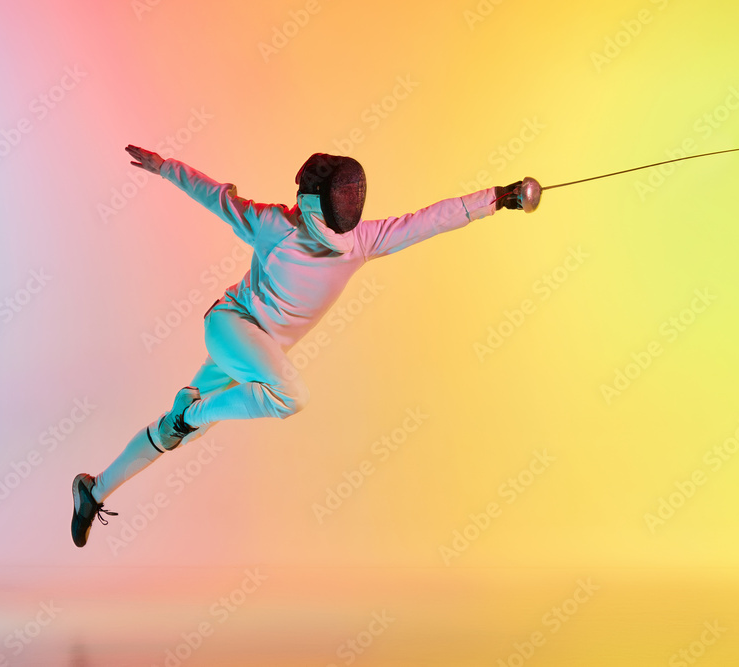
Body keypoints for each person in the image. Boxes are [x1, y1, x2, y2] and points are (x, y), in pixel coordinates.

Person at [70, 144, 527, 547]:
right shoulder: (276, 225)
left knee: (175, 432)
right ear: (323, 202)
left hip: (256, 352)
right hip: (231, 325)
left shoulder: (360, 241)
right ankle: (189, 412)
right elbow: (217, 197)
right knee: (290, 396)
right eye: (343, 195)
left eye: (352, 195)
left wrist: (496, 199)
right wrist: (166, 167)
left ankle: (95, 488)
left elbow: (428, 221)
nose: (350, 204)